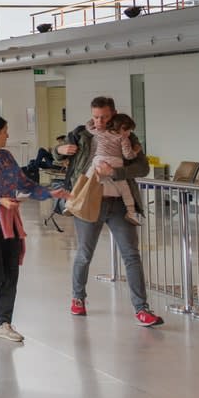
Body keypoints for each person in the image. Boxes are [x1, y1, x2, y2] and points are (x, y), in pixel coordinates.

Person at [58, 96, 163, 326]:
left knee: (131, 255)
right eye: (96, 116)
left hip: (119, 205)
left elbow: (142, 167)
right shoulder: (82, 134)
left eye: (105, 117)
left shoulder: (126, 134)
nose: (100, 121)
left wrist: (114, 173)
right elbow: (62, 154)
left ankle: (141, 309)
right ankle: (78, 298)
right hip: (88, 201)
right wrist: (60, 149)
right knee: (85, 253)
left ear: (114, 114)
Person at [0, 115, 69, 342]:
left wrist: (50, 193)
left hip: (9, 221)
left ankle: (3, 323)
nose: (7, 135)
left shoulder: (6, 157)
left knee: (11, 274)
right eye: (5, 131)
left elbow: (24, 184)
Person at [85, 112, 142, 224]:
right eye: (128, 130)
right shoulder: (123, 138)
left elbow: (88, 126)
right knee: (125, 190)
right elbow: (128, 155)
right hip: (115, 163)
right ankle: (131, 212)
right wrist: (136, 151)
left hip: (98, 162)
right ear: (122, 128)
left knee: (87, 181)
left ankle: (73, 202)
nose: (129, 133)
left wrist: (95, 120)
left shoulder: (100, 132)